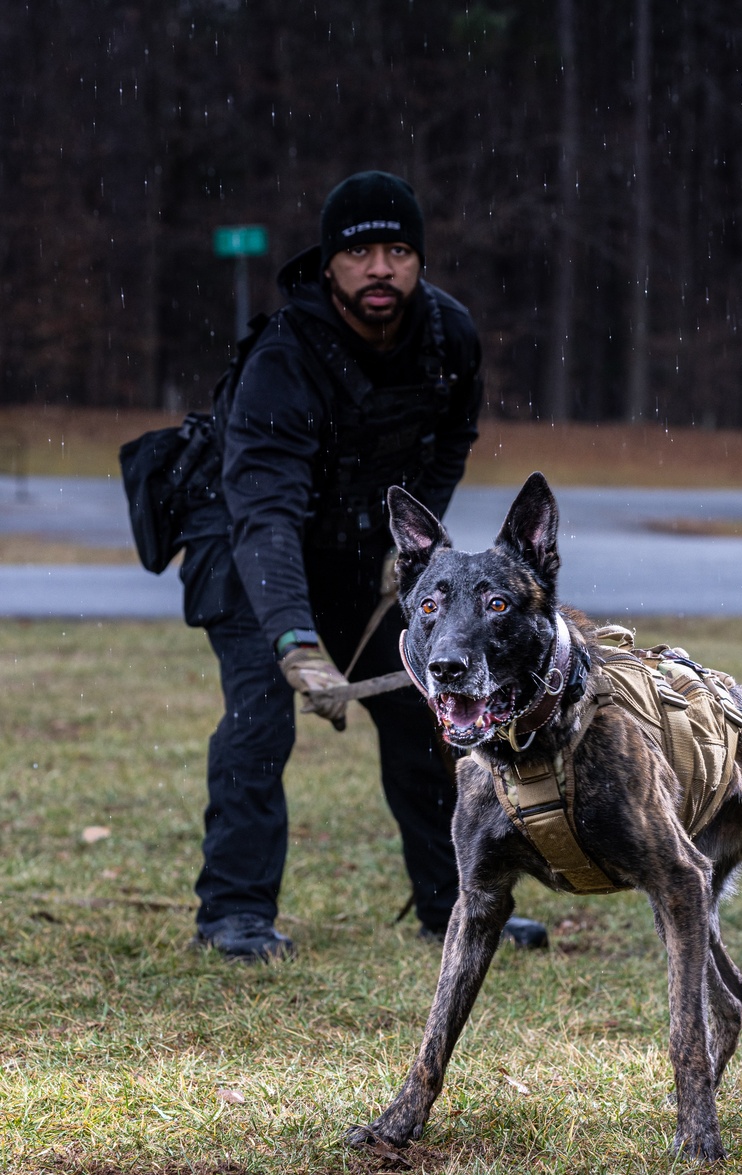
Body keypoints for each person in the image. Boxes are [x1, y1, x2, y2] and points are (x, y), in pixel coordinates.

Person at [180, 170, 547, 960]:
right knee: (260, 717)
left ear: (417, 260)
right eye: (360, 252)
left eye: (399, 250)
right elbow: (265, 513)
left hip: (359, 551)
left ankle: (454, 902)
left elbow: (450, 441)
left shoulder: (450, 334)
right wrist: (294, 644)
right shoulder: (283, 359)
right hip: (251, 546)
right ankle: (235, 916)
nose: (380, 268)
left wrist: (413, 561)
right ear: (330, 265)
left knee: (428, 713)